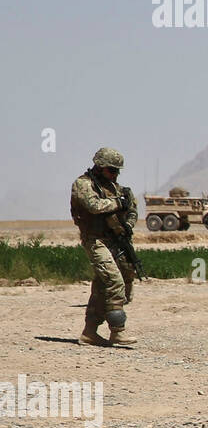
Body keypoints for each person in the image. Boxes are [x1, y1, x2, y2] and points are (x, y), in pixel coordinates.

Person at [69, 148, 139, 346]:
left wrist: (127, 225)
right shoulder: (83, 184)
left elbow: (131, 209)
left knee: (104, 286)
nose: (115, 174)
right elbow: (94, 206)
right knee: (114, 282)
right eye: (111, 170)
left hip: (114, 240)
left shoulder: (116, 188)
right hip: (94, 240)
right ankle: (117, 331)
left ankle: (89, 332)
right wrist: (118, 203)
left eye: (117, 171)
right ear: (99, 167)